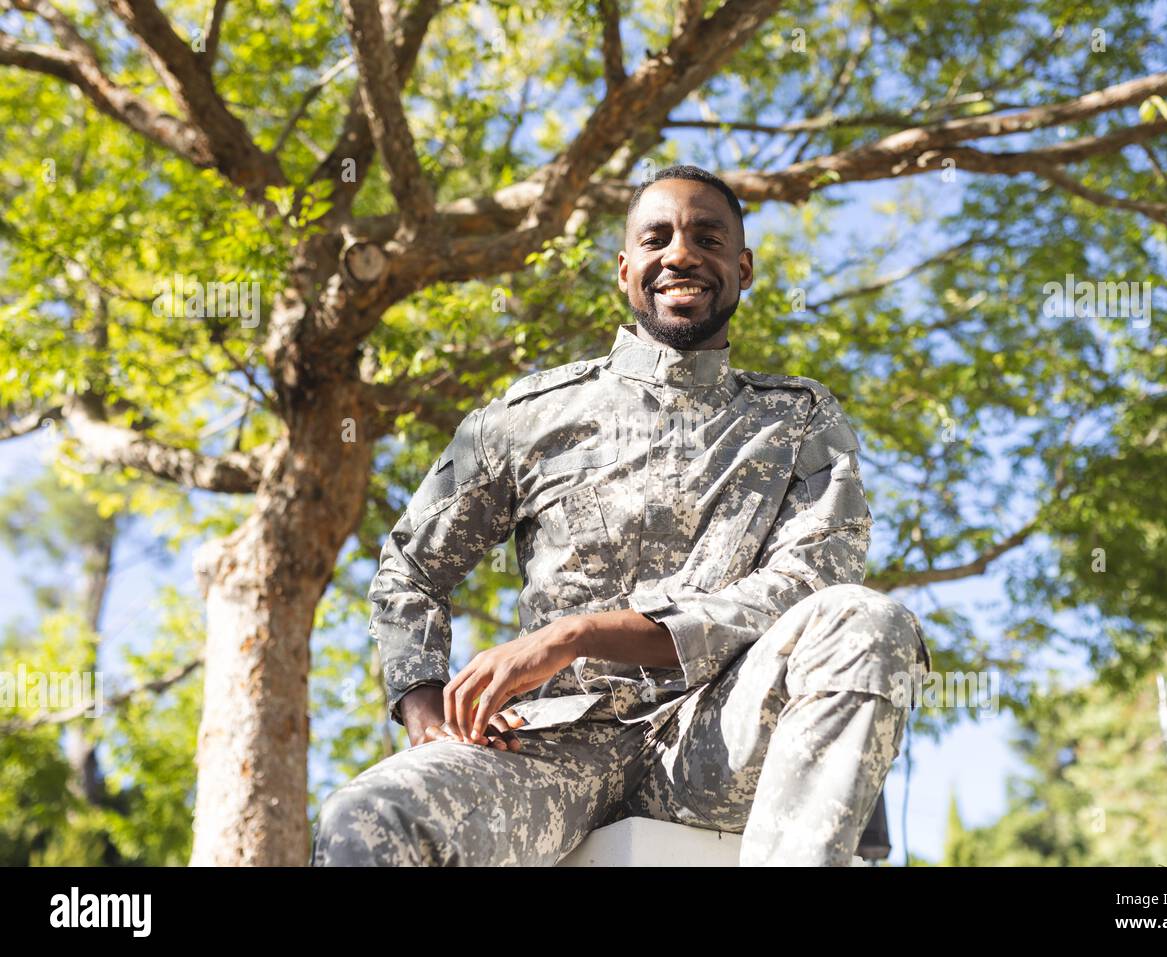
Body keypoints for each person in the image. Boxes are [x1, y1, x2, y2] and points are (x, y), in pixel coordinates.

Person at [312, 164, 930, 867]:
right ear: (624, 267)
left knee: (868, 620)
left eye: (708, 236)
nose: (680, 254)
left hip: (717, 742)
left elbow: (807, 585)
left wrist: (579, 633)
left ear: (743, 267)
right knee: (368, 816)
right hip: (547, 746)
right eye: (657, 237)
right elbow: (410, 568)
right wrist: (424, 710)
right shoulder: (529, 416)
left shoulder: (800, 419)